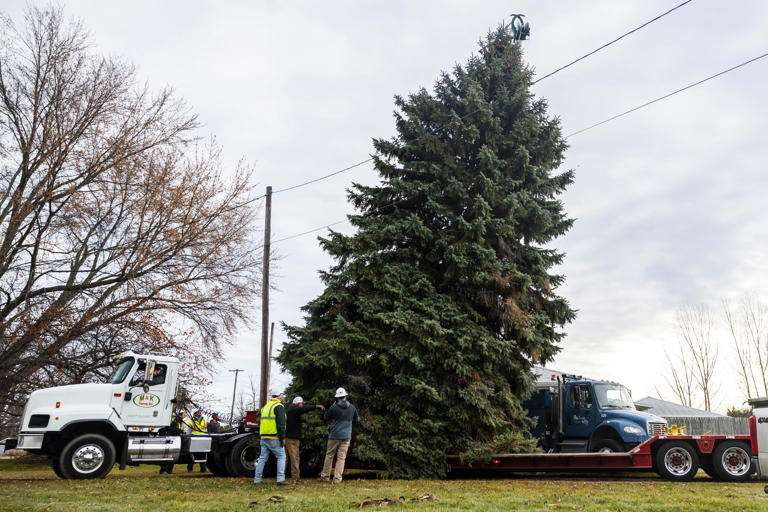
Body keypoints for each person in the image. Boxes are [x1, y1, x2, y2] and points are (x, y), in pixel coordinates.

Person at [319, 387, 359, 484]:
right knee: (341, 458)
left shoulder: (334, 407)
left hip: (334, 435)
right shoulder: (352, 407)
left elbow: (326, 417)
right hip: (346, 436)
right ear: (345, 396)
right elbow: (357, 420)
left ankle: (325, 477)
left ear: (337, 398)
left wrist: (332, 407)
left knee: (329, 455)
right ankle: (337, 479)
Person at [254, 389, 289, 486]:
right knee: (281, 456)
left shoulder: (266, 406)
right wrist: (282, 438)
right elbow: (281, 424)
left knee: (262, 458)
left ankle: (257, 480)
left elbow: (260, 420)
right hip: (274, 437)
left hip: (264, 437)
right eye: (282, 395)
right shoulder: (279, 406)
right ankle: (280, 479)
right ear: (279, 396)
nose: (283, 398)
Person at [284, 396, 325, 482]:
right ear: (299, 404)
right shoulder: (295, 409)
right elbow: (304, 409)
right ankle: (295, 477)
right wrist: (316, 406)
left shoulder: (289, 410)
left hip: (287, 438)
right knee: (295, 458)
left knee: (286, 459)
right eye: (301, 404)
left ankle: (280, 476)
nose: (302, 405)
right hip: (292, 439)